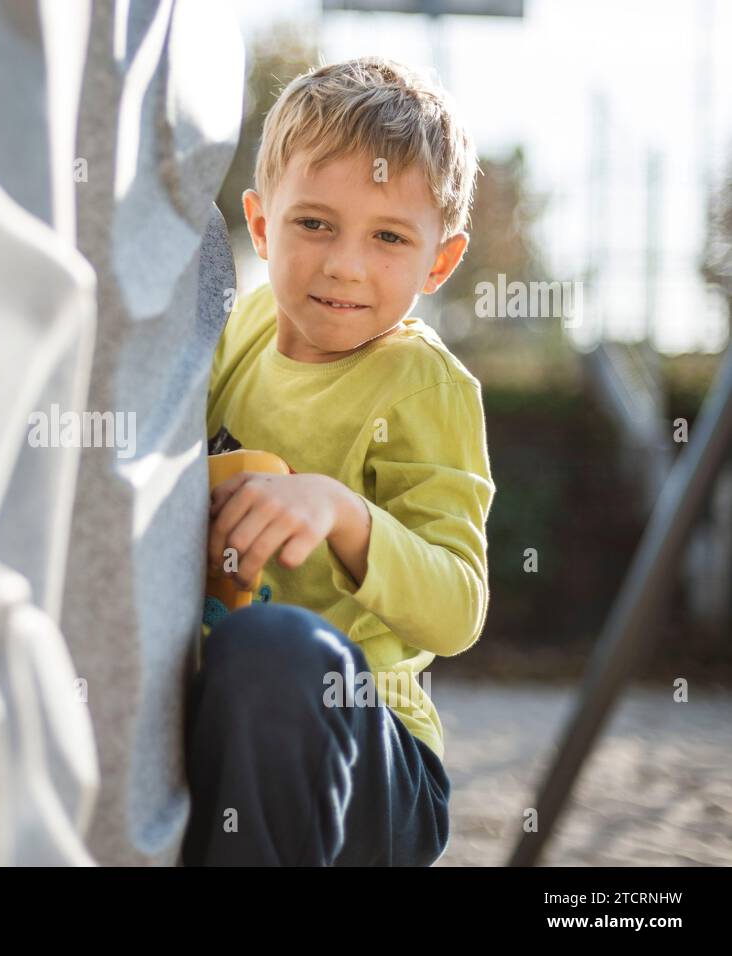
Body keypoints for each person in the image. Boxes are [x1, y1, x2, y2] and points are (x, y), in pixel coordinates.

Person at [183, 56, 495, 866]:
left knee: (276, 653)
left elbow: (459, 607)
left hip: (371, 764)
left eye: (389, 237)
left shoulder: (424, 386)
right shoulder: (242, 325)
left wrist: (346, 514)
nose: (345, 264)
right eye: (314, 223)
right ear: (259, 225)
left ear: (439, 261)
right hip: (228, 726)